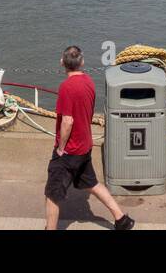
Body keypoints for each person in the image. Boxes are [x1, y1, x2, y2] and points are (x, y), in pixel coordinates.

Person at [44, 46, 134, 231]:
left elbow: (67, 121)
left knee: (52, 193)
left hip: (70, 151)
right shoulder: (89, 82)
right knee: (91, 183)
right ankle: (121, 219)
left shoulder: (66, 87)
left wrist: (61, 148)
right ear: (82, 62)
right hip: (85, 145)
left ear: (62, 63)